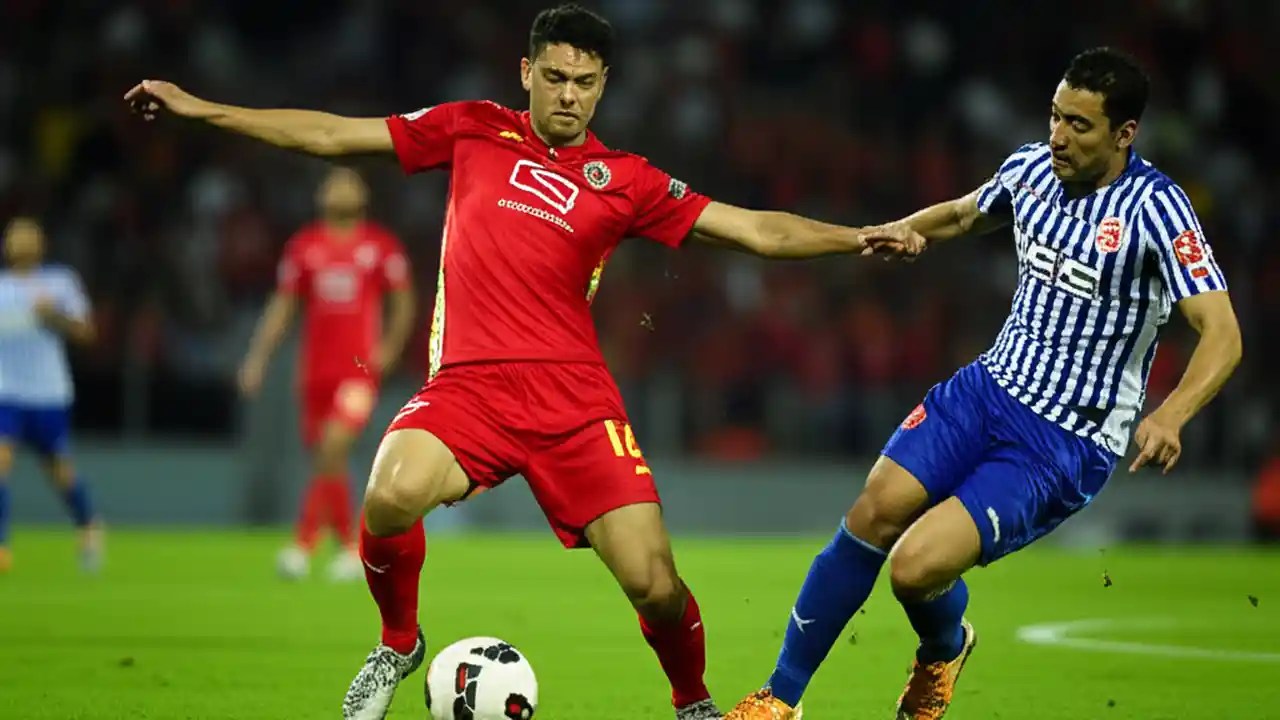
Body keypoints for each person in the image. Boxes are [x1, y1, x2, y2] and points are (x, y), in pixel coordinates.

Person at [125, 4, 922, 718]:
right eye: (554, 77)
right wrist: (202, 110)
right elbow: (335, 134)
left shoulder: (627, 181)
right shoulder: (472, 127)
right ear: (526, 73)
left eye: (585, 81)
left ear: (603, 85)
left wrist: (858, 236)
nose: (568, 95)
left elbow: (754, 230)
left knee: (653, 582)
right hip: (469, 389)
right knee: (389, 493)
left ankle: (693, 703)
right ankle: (398, 642)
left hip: (576, 404)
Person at [724, 47, 1244, 720]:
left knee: (915, 569)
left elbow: (1222, 331)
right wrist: (907, 234)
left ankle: (943, 648)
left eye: (1080, 126)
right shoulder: (1030, 168)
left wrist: (1172, 413)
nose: (1059, 136)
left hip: (1062, 441)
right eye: (1056, 117)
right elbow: (968, 213)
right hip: (986, 390)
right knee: (872, 511)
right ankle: (779, 700)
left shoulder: (1157, 210)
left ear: (1125, 134)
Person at [239, 168, 416, 582]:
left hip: (358, 371)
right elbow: (283, 308)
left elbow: (404, 302)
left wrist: (388, 348)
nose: (340, 188)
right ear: (321, 195)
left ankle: (305, 544)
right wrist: (257, 358)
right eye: (333, 183)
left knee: (333, 449)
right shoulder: (305, 247)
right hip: (314, 371)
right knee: (325, 460)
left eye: (350, 182)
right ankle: (348, 548)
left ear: (364, 194)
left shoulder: (380, 247)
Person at [0, 217, 102, 574]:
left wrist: (53, 316)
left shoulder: (60, 282)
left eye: (29, 236)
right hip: (5, 392)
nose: (22, 243)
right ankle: (1, 548)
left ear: (41, 244)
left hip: (48, 392)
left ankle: (89, 524)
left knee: (59, 470)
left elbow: (87, 333)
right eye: (15, 237)